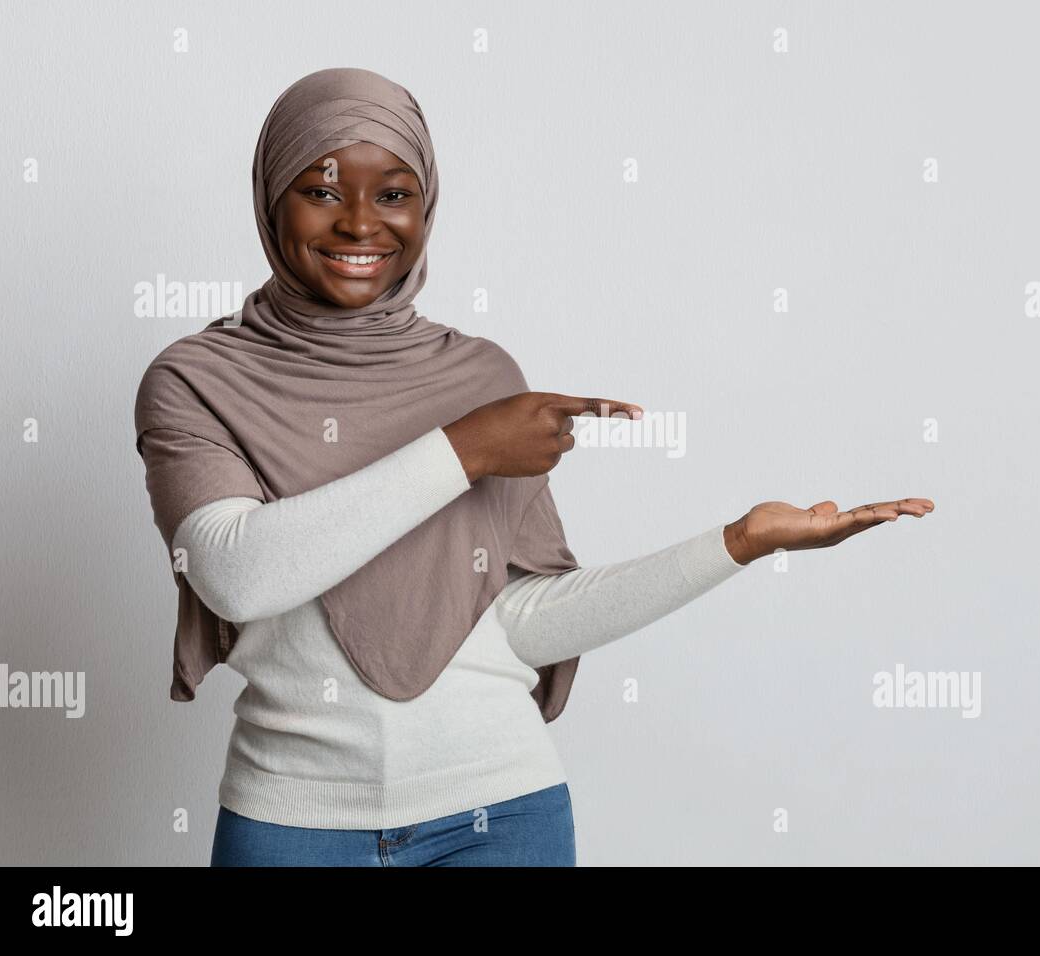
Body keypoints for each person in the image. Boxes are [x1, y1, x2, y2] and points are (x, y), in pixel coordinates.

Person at [132, 67, 934, 867]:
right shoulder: (200, 380)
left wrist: (739, 542)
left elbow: (524, 622)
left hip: (501, 815)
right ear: (273, 197)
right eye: (324, 189)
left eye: (394, 195)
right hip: (291, 823)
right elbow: (239, 577)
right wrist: (465, 449)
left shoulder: (479, 379)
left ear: (426, 206)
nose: (359, 225)